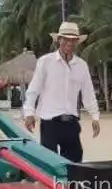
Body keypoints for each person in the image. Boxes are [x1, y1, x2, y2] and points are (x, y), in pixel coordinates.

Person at [22, 21, 99, 162]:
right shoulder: (45, 62)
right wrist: (29, 113)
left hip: (71, 123)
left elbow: (88, 93)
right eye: (66, 39)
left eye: (73, 40)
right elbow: (33, 90)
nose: (69, 43)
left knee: (74, 163)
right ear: (59, 40)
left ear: (77, 42)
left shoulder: (81, 66)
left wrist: (95, 117)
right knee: (49, 164)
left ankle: (69, 185)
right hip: (50, 123)